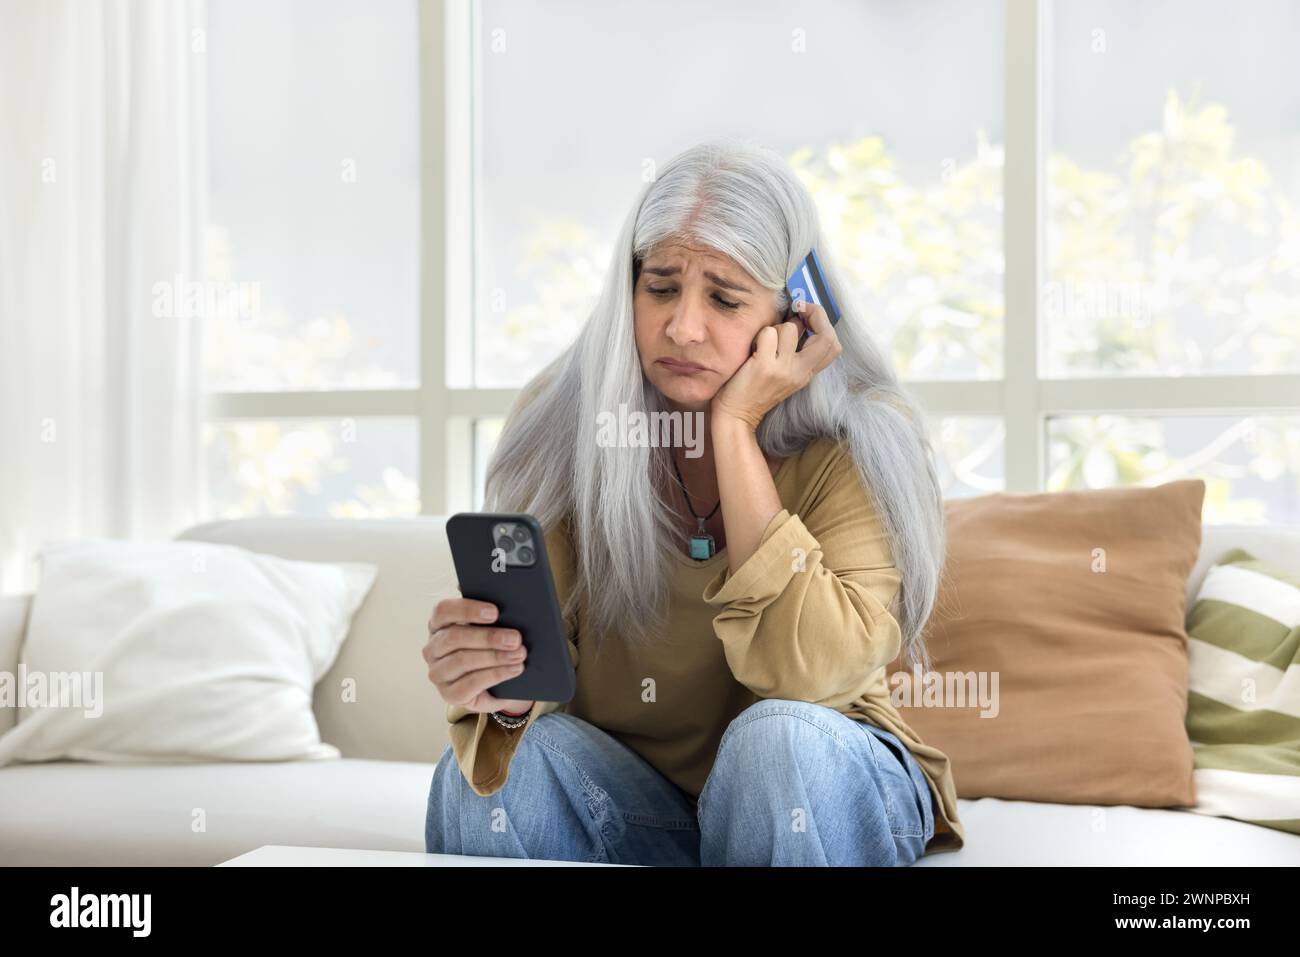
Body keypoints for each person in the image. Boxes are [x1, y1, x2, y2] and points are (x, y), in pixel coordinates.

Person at [423, 138, 965, 866]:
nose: (683, 326)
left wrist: (734, 431)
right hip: (638, 798)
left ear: (798, 311)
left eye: (724, 297)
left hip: (819, 776)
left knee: (774, 742)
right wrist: (502, 684)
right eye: (661, 286)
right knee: (495, 777)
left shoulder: (858, 435)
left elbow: (809, 678)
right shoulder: (562, 424)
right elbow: (543, 661)